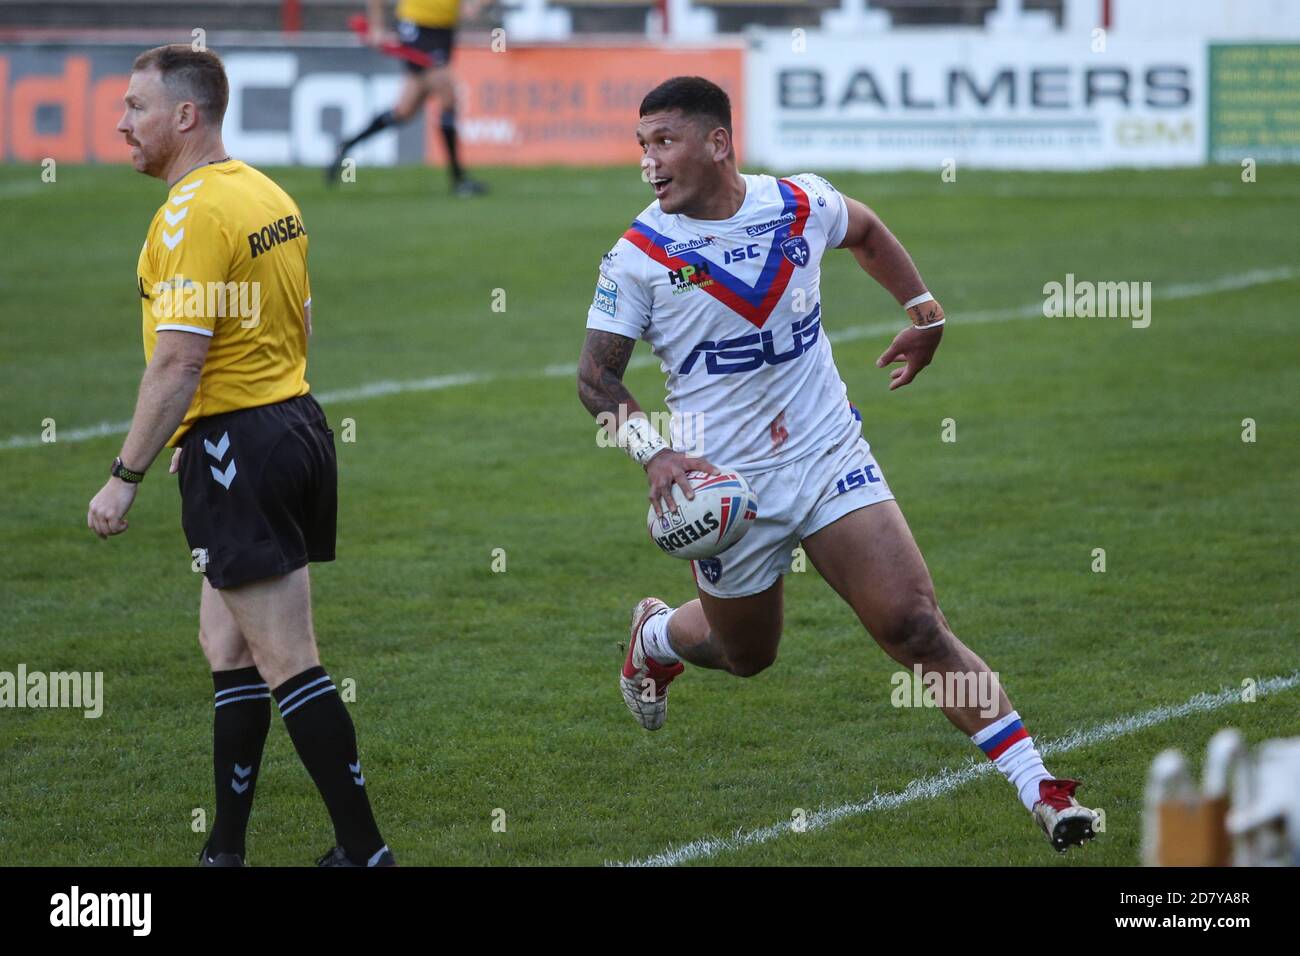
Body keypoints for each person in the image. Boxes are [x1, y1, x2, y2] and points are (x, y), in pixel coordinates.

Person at [576, 76, 1100, 852]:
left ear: (718, 142)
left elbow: (866, 230)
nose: (649, 164)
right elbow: (596, 378)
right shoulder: (638, 257)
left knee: (914, 623)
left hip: (827, 455)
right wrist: (654, 454)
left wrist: (924, 311)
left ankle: (1043, 789)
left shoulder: (799, 204)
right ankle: (655, 638)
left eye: (664, 143)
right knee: (746, 657)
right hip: (724, 492)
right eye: (641, 147)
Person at [88, 44, 394, 867]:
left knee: (290, 659)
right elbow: (300, 320)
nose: (121, 123)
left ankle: (364, 852)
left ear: (185, 115)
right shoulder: (265, 191)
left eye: (135, 107)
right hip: (288, 425)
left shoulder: (192, 214)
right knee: (228, 649)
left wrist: (125, 476)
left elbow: (179, 359)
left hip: (241, 445)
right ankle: (224, 851)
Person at [326, 0, 488, 195]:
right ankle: (458, 180)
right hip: (417, 26)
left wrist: (477, 4)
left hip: (444, 29)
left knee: (405, 111)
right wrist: (376, 26)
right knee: (448, 97)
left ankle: (346, 145)